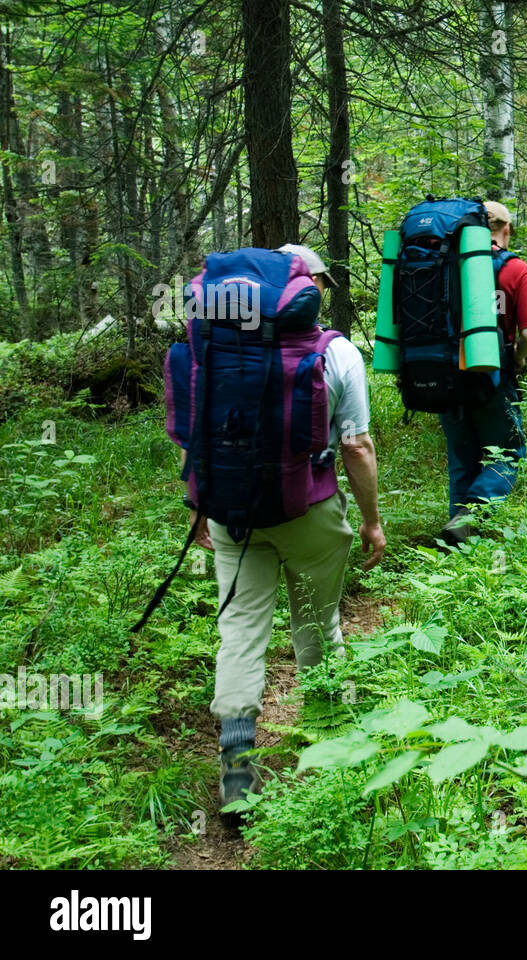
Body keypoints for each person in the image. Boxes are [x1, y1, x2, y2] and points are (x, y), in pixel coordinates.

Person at [182, 243, 386, 814]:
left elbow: (197, 430)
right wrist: (371, 523)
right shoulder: (334, 351)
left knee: (241, 631)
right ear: (311, 286)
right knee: (317, 621)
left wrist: (203, 503)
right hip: (310, 509)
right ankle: (325, 743)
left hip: (233, 513)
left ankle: (237, 771)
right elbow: (357, 445)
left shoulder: (216, 348)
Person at [435, 200, 527, 549]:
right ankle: (469, 520)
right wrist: (518, 358)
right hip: (492, 378)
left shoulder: (445, 267)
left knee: (462, 462)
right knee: (507, 454)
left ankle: (456, 547)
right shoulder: (516, 270)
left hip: (446, 377)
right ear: (506, 229)